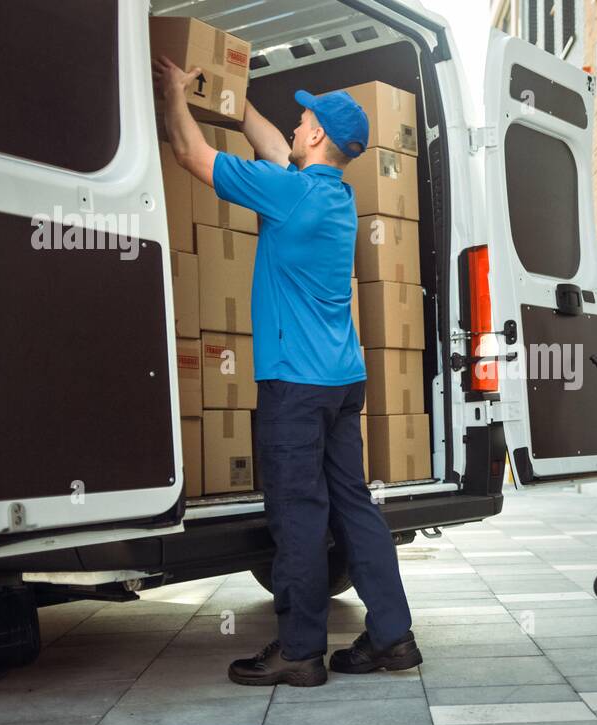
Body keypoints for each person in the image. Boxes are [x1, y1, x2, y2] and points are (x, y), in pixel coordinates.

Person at [153, 56, 422, 687]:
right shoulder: (332, 195)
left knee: (299, 513)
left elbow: (193, 155)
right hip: (340, 381)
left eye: (303, 122)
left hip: (294, 388)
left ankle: (299, 651)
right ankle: (392, 637)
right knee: (353, 505)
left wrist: (173, 96)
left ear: (319, 137)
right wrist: (230, 96)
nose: (296, 128)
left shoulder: (290, 193)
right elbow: (274, 147)